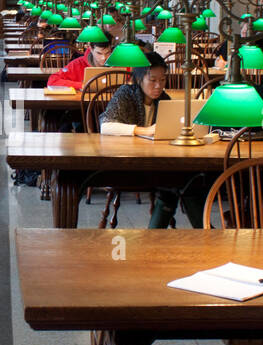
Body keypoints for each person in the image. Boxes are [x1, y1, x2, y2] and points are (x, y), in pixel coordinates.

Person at [98, 51, 207, 227]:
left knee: (189, 180)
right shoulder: (126, 93)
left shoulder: (163, 99)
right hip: (125, 162)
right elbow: (106, 126)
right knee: (181, 183)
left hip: (155, 161)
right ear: (140, 79)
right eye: (153, 80)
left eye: (163, 80)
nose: (158, 86)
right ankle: (204, 231)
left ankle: (164, 234)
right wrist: (145, 131)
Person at [46, 37, 117, 90]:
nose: (103, 58)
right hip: (83, 107)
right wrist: (81, 85)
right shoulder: (77, 64)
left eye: (108, 53)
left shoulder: (119, 64)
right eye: (99, 53)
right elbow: (52, 81)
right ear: (91, 49)